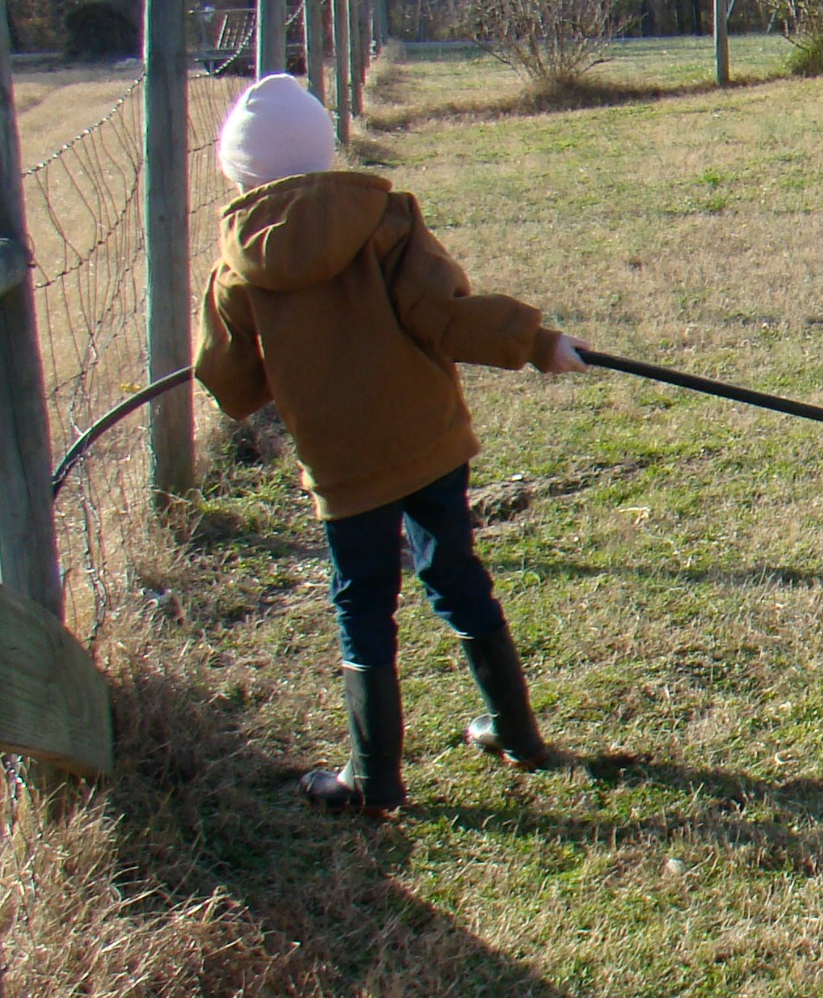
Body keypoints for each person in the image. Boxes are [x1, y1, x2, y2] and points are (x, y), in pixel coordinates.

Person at [193, 73, 586, 814]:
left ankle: (373, 780)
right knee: (456, 576)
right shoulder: (383, 218)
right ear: (321, 147)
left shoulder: (235, 263)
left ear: (238, 170)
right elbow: (443, 312)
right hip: (426, 442)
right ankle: (516, 729)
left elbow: (235, 385)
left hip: (343, 468)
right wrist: (538, 342)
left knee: (362, 606)